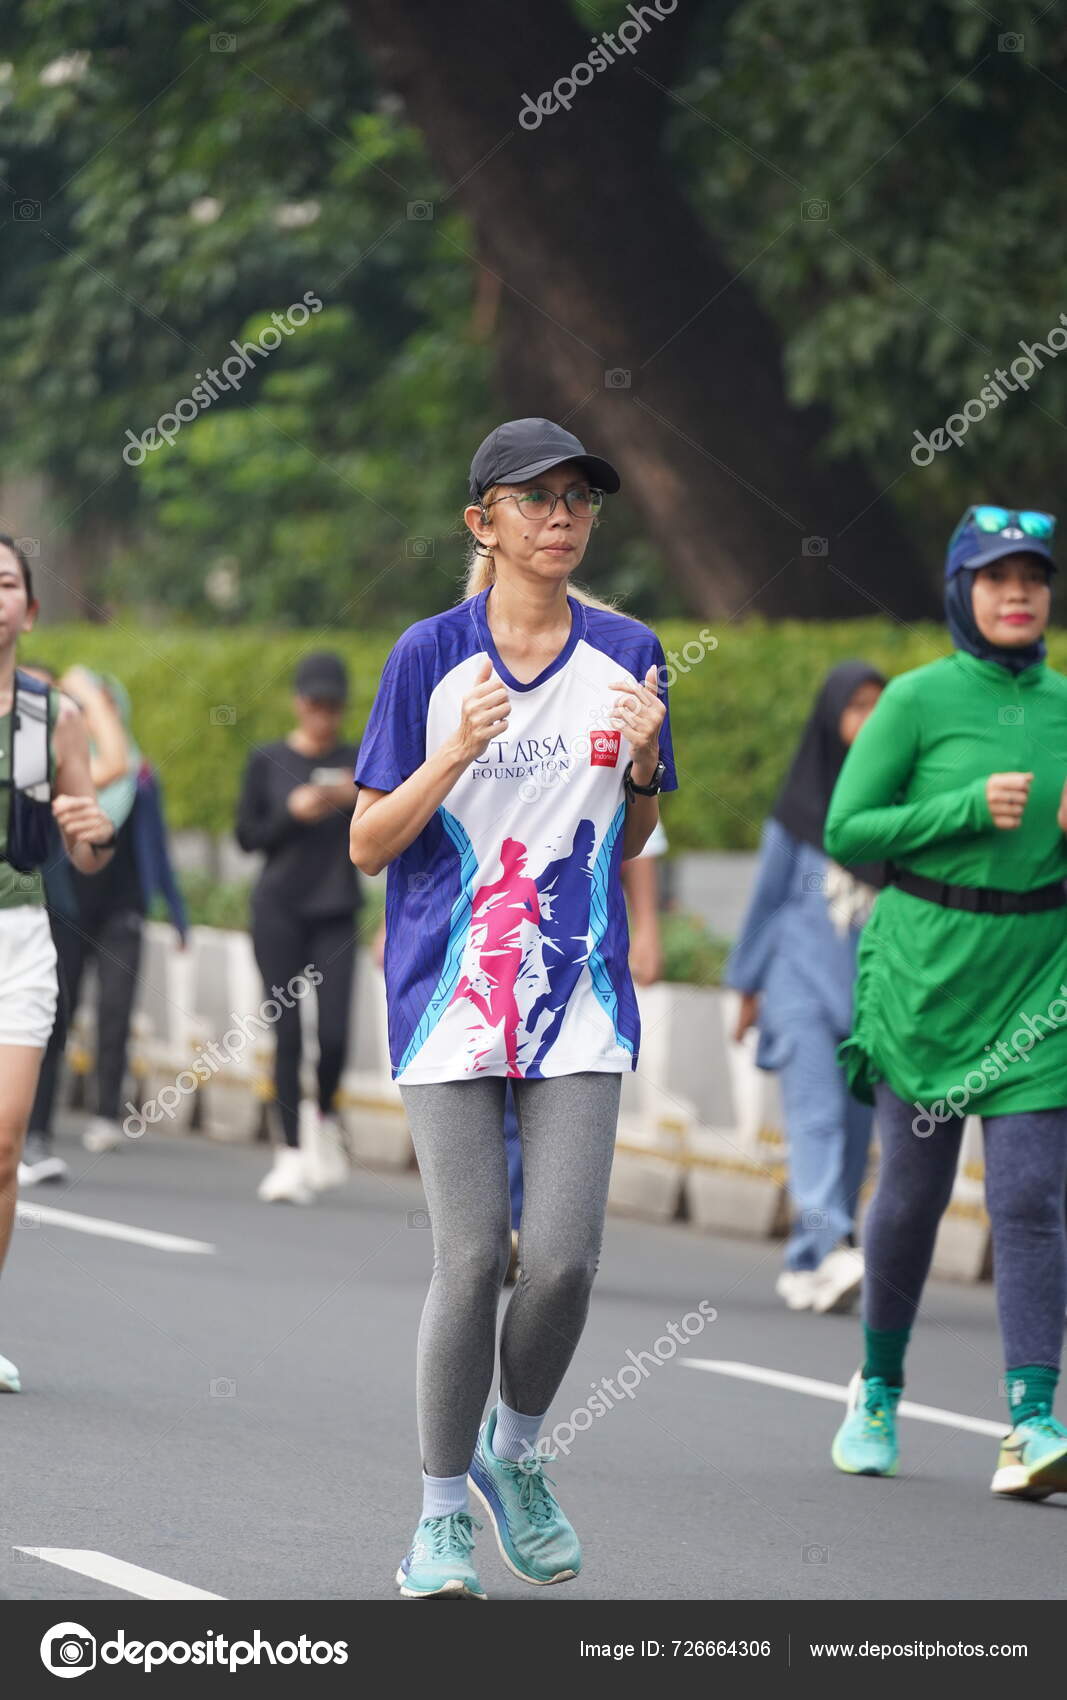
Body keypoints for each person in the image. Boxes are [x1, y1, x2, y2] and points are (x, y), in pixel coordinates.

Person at [350, 417, 677, 1601]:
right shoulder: (427, 656)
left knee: (568, 1262)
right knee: (474, 1251)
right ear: (482, 521)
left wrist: (641, 769)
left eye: (579, 497)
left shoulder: (630, 649)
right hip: (448, 995)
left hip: (577, 993)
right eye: (534, 498)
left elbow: (636, 832)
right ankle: (437, 1519)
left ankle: (513, 1454)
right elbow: (367, 841)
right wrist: (452, 754)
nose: (561, 515)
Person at [826, 506, 1067, 1499]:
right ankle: (876, 1385)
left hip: (1037, 977)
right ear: (959, 591)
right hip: (924, 973)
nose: (1015, 592)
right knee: (913, 1198)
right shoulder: (916, 699)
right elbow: (847, 829)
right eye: (993, 576)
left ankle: (1030, 1420)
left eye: (1032, 577)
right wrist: (961, 809)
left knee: (1028, 1197)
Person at [725, 663, 886, 1313]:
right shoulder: (797, 814)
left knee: (853, 1135)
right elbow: (765, 905)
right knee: (816, 1122)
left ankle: (808, 1259)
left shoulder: (898, 810)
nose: (868, 720)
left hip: (870, 998)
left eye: (880, 707)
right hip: (796, 986)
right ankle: (830, 1250)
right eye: (855, 707)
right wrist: (745, 989)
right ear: (829, 719)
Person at [0, 538, 115, 1391]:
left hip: (19, 938)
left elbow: (88, 851)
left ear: (29, 609)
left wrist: (91, 837)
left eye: (6, 583)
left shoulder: (53, 718)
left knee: (4, 1144)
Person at [21, 667, 187, 1173]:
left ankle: (41, 1136)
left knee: (86, 1014)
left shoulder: (95, 772)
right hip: (37, 908)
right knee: (43, 1021)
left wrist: (177, 913)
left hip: (95, 909)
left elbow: (147, 833)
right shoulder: (26, 761)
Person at [501, 820, 670, 1284]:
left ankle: (535, 1237)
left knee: (549, 1083)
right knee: (502, 1097)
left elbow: (641, 836)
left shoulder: (605, 747)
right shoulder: (472, 747)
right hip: (492, 941)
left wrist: (648, 927)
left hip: (572, 946)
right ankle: (506, 1229)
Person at [236, 651, 361, 1205]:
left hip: (336, 910)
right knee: (286, 1033)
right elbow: (247, 835)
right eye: (315, 704)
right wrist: (295, 810)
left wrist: (351, 796)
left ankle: (327, 1114)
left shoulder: (358, 759)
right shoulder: (267, 759)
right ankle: (288, 1152)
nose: (323, 716)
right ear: (298, 702)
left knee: (333, 1034)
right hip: (279, 910)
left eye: (333, 705)